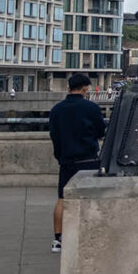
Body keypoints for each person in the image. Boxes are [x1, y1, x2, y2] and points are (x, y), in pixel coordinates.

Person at [48, 72, 106, 253]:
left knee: (62, 199)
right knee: (91, 197)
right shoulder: (91, 108)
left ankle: (58, 239)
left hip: (67, 159)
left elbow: (54, 135)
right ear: (84, 88)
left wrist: (60, 155)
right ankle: (89, 232)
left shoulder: (57, 109)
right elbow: (101, 132)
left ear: (69, 88)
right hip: (88, 158)